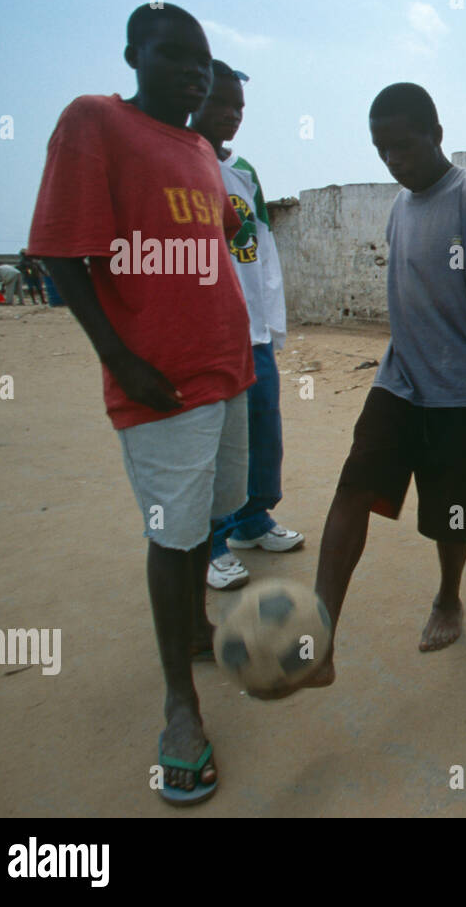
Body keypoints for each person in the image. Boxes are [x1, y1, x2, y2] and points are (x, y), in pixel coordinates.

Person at [27, 3, 255, 805]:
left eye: (204, 60)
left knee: (206, 520)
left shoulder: (199, 149)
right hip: (162, 381)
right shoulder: (94, 122)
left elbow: (220, 243)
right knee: (172, 533)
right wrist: (121, 359)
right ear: (133, 54)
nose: (194, 71)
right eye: (174, 54)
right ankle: (179, 707)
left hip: (229, 370)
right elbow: (61, 253)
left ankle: (196, 629)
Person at [293, 82, 466, 679]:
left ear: (437, 135)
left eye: (404, 146)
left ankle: (448, 596)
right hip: (398, 381)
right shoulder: (400, 205)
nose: (393, 160)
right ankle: (322, 634)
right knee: (353, 489)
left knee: (451, 517)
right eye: (381, 150)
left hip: (461, 394)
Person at [191, 60, 304, 591]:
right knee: (216, 443)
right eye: (219, 103)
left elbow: (261, 250)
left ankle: (252, 521)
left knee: (263, 430)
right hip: (207, 335)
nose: (231, 114)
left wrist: (271, 323)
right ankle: (210, 543)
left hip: (253, 331)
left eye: (238, 106)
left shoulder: (245, 173)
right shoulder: (179, 163)